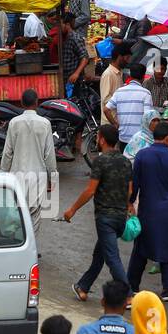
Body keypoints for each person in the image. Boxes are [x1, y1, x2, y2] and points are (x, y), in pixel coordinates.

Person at [65, 124, 132, 298]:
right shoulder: (125, 161)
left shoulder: (100, 161)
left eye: (97, 137)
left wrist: (72, 210)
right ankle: (83, 287)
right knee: (100, 254)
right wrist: (126, 209)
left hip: (105, 218)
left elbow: (90, 190)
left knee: (111, 258)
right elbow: (130, 191)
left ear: (102, 139)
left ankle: (128, 295)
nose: (96, 139)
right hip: (120, 218)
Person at [128, 122, 168, 298]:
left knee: (141, 247)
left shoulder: (142, 155)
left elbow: (135, 183)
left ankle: (132, 285)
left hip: (147, 209)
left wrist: (130, 203)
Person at [2, 88, 58, 228]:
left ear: (21, 103)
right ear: (36, 103)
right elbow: (49, 155)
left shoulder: (14, 123)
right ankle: (31, 247)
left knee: (16, 215)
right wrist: (53, 177)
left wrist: (3, 175)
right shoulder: (45, 124)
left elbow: (7, 153)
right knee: (34, 216)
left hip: (16, 175)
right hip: (38, 177)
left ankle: (19, 245)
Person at [104, 64, 155, 145]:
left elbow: (106, 109)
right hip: (140, 139)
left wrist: (115, 124)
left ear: (130, 76)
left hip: (123, 138)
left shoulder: (119, 91)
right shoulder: (145, 93)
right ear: (143, 77)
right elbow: (148, 117)